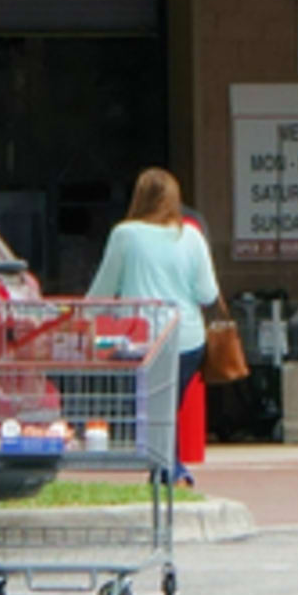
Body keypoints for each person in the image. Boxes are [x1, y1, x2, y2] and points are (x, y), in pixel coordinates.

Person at [87, 168, 224, 469]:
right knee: (167, 407)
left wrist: (82, 319)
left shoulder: (125, 234)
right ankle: (169, 467)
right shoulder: (192, 236)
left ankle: (168, 467)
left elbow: (102, 291)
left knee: (148, 408)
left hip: (139, 340)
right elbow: (207, 293)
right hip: (186, 338)